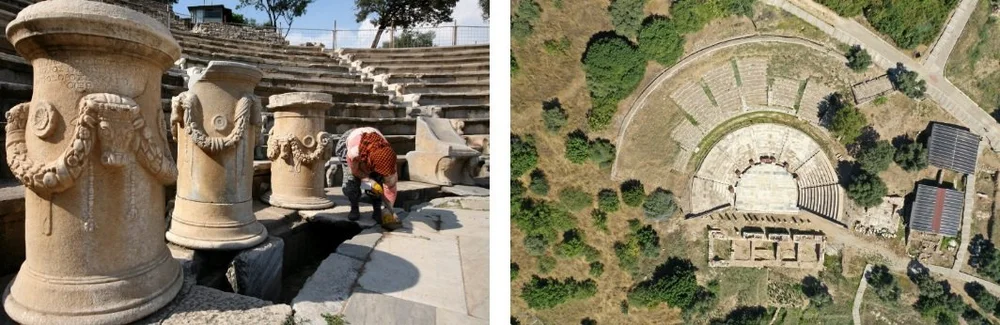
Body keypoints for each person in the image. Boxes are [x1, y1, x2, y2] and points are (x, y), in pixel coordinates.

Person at [335, 127, 400, 229]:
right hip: (351, 143)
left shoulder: (389, 158)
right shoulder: (354, 153)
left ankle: (377, 209)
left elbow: (390, 187)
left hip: (373, 153)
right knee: (351, 182)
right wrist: (367, 180)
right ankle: (354, 206)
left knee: (376, 183)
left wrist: (389, 210)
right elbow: (355, 171)